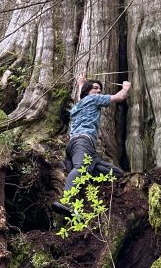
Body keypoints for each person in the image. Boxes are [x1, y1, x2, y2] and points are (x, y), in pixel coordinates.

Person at [52, 74, 131, 216]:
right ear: (88, 91)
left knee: (117, 174)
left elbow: (81, 96)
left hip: (75, 145)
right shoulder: (93, 99)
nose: (99, 91)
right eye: (95, 88)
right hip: (83, 141)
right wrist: (125, 88)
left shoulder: (78, 105)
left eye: (100, 89)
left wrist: (80, 84)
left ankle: (83, 182)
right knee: (81, 168)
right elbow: (120, 97)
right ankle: (67, 202)